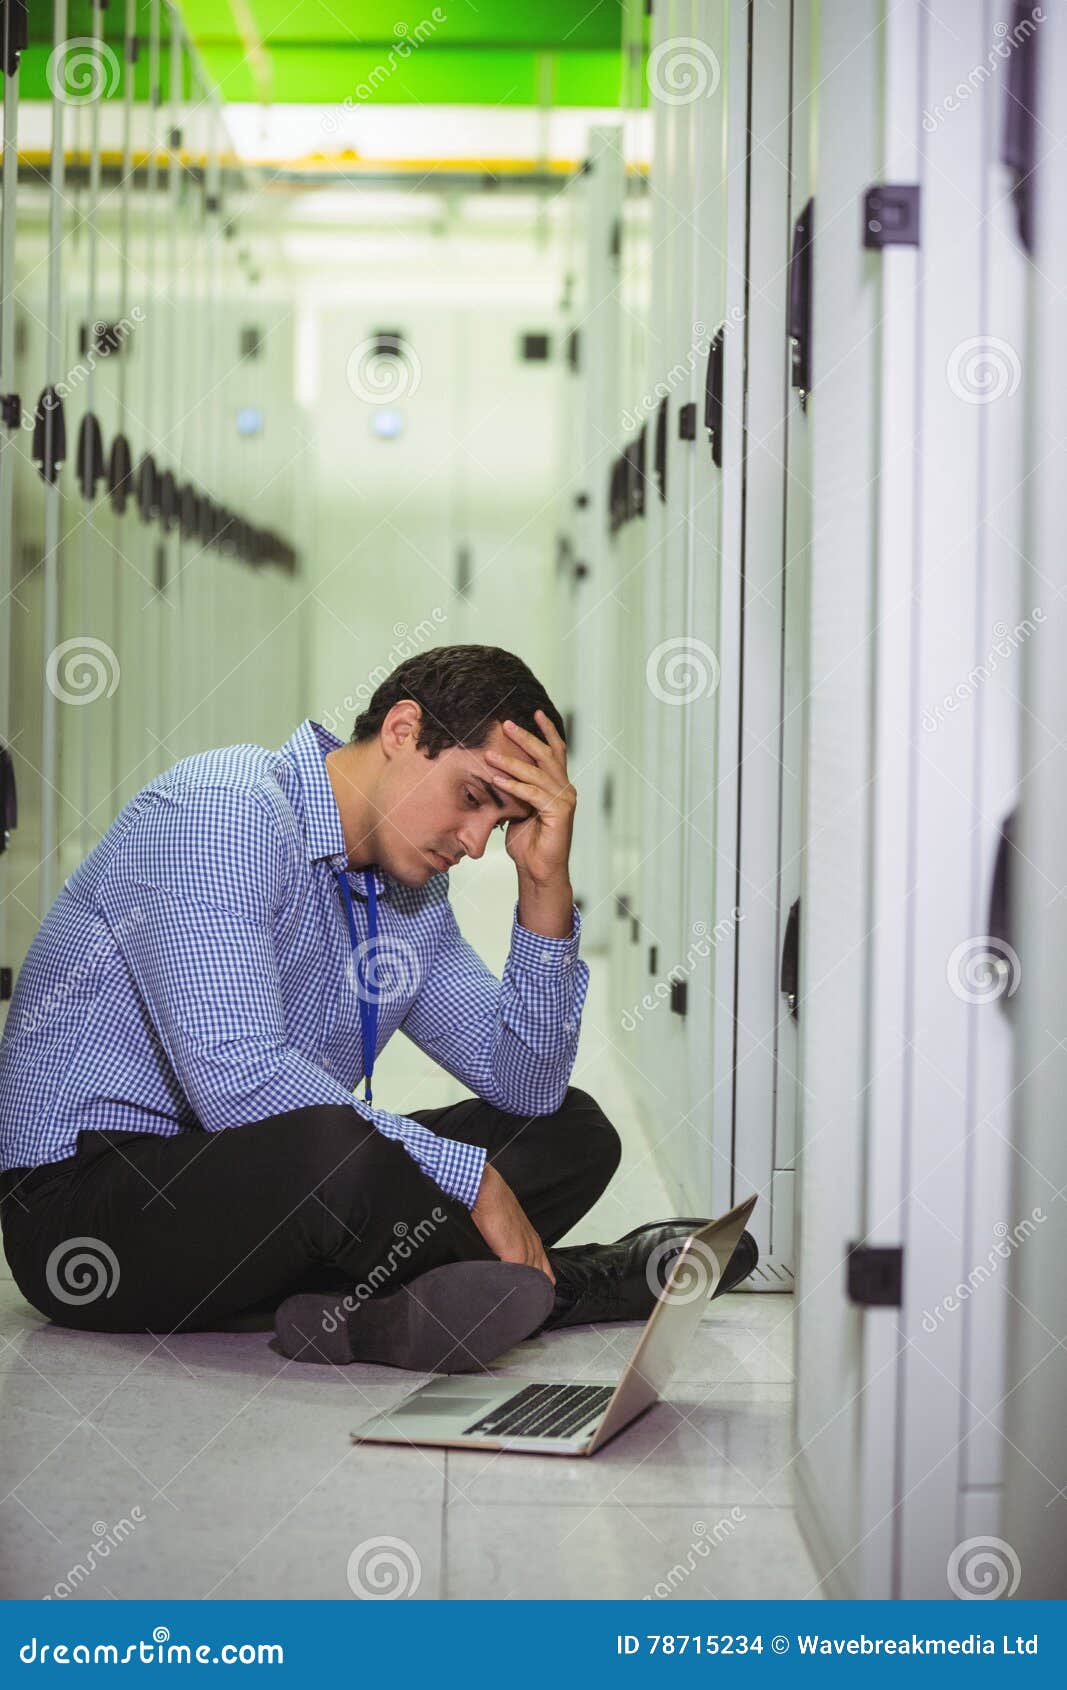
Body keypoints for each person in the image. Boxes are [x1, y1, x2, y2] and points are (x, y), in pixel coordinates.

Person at [0, 644, 756, 1372]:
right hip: (86, 1204)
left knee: (569, 1132)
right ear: (402, 730)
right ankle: (573, 1286)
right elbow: (240, 1083)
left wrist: (543, 885)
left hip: (268, 1189)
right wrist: (471, 1179)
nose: (474, 843)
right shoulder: (222, 811)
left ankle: (358, 1307)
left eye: (499, 823)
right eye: (471, 798)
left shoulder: (408, 893)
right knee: (338, 1153)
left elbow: (525, 1087)